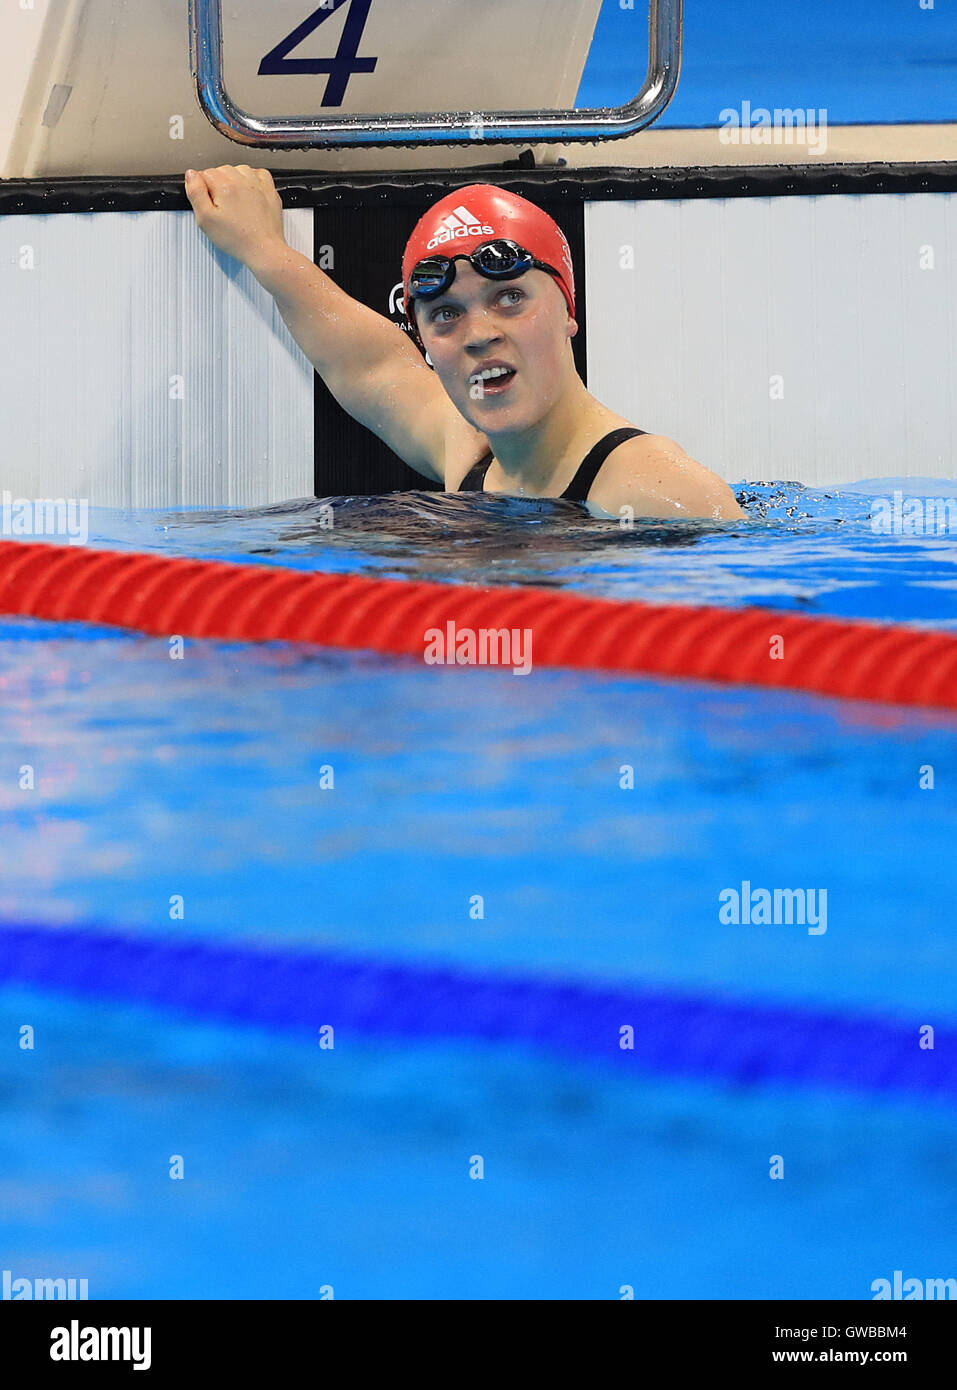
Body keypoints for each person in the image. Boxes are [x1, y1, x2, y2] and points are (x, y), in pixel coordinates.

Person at [184, 166, 744, 520]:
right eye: (446, 314)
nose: (479, 335)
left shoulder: (654, 489)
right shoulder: (469, 452)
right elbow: (371, 365)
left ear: (568, 311)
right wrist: (262, 247)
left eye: (509, 299)